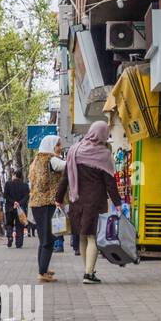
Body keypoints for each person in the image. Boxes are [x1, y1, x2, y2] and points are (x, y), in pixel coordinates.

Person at [58, 121, 121, 284]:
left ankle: (88, 270)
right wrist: (118, 203)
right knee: (93, 237)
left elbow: (65, 178)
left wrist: (58, 198)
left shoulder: (74, 150)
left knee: (82, 237)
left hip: (76, 201)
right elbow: (110, 182)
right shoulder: (104, 154)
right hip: (95, 202)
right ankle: (88, 273)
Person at [28, 135, 66, 283]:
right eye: (57, 145)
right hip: (46, 204)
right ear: (51, 146)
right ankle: (42, 272)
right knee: (48, 240)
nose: (60, 147)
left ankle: (42, 269)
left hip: (37, 205)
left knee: (43, 238)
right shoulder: (50, 159)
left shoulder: (36, 160)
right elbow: (65, 165)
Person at [3, 169, 29, 249]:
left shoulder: (8, 184)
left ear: (14, 175)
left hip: (10, 207)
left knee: (9, 224)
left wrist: (14, 202)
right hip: (20, 209)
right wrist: (19, 203)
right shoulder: (25, 185)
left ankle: (10, 236)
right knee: (19, 226)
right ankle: (19, 243)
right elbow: (26, 197)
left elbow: (5, 196)